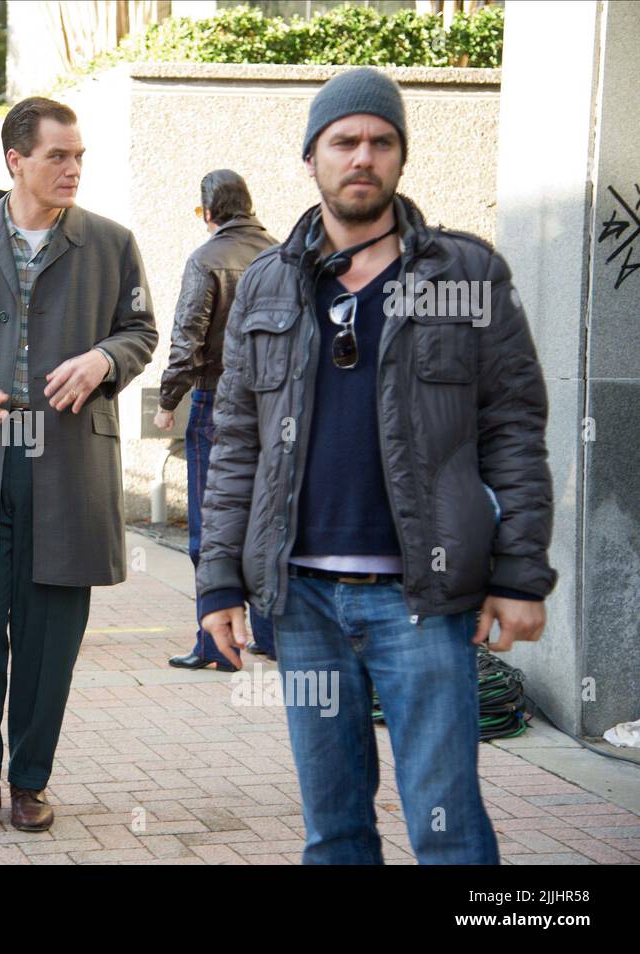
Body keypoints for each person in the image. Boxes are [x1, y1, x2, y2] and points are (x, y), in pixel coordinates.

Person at [196, 68, 555, 864]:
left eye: (381, 141)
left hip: (421, 601)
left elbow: (513, 430)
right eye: (344, 141)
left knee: (449, 828)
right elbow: (237, 447)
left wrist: (521, 572)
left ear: (399, 157)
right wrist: (219, 580)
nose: (363, 156)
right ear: (312, 156)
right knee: (334, 833)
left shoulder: (465, 274)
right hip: (302, 604)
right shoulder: (266, 284)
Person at [0, 96, 156, 833]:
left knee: (51, 635)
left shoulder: (111, 244)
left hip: (70, 464)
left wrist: (104, 358)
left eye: (79, 155)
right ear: (16, 160)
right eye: (58, 156)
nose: (73, 168)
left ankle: (31, 782)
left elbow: (140, 330)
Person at [155, 169, 276, 671]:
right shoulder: (280, 253)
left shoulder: (205, 258)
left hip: (216, 401)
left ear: (208, 211)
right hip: (274, 404)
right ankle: (268, 635)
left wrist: (168, 400)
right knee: (267, 517)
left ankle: (215, 644)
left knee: (210, 524)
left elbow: (189, 335)